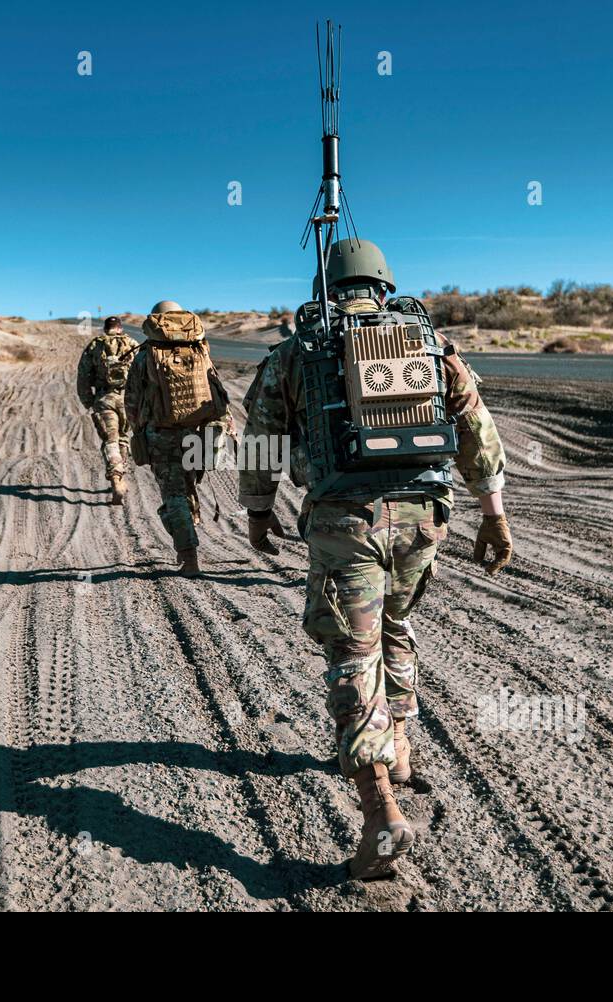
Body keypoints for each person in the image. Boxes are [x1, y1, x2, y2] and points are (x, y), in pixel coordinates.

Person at [238, 239, 512, 878]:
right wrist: (494, 513)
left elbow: (261, 437)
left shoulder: (298, 353)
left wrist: (257, 509)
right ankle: (404, 747)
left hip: (344, 523)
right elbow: (477, 428)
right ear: (385, 285)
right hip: (423, 519)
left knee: (351, 655)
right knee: (397, 626)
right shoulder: (431, 345)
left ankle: (379, 811)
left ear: (329, 286)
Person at [124, 300, 231, 577]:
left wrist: (139, 432)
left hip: (161, 435)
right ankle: (189, 523)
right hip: (196, 432)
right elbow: (215, 387)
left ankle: (188, 557)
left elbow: (132, 400)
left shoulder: (146, 355)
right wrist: (222, 422)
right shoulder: (199, 348)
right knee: (186, 485)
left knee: (174, 495)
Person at [76, 316, 136, 504]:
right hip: (128, 400)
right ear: (120, 328)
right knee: (124, 438)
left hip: (104, 399)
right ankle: (121, 475)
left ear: (105, 329)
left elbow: (83, 377)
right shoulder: (132, 344)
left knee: (110, 439)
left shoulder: (95, 345)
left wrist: (89, 401)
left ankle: (116, 478)